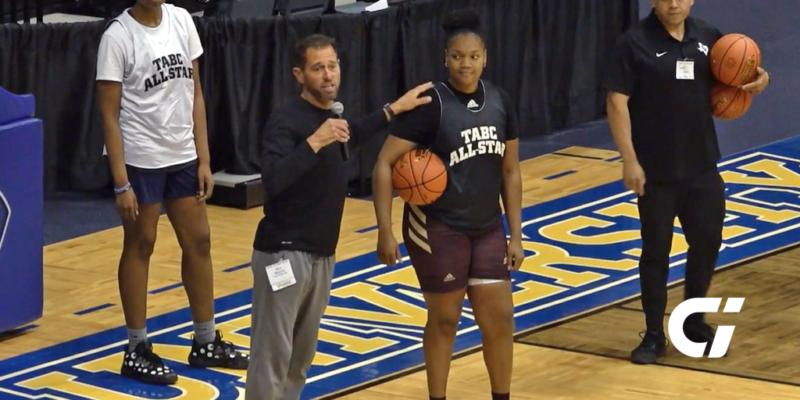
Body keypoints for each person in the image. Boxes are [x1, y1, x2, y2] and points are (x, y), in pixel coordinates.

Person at [244, 33, 433, 400]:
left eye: (333, 66)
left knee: (300, 359)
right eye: (318, 68)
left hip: (322, 254)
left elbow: (354, 134)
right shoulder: (286, 121)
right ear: (299, 75)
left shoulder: (333, 117)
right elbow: (274, 180)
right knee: (272, 357)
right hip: (283, 254)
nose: (328, 75)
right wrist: (315, 141)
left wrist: (394, 109)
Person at [603, 0, 771, 365]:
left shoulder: (708, 36)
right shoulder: (633, 43)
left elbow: (736, 72)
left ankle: (693, 321)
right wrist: (629, 160)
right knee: (655, 253)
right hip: (656, 171)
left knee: (708, 244)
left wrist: (759, 80)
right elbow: (616, 102)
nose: (674, 3)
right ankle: (653, 335)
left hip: (702, 166)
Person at [371, 9, 523, 400]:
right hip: (437, 227)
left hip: (487, 226)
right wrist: (385, 230)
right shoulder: (430, 105)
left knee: (500, 319)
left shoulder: (501, 101)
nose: (465, 64)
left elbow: (510, 172)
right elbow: (384, 164)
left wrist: (516, 235)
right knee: (444, 320)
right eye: (457, 56)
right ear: (445, 58)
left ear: (485, 57)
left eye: (473, 56)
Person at [95, 0, 249, 385]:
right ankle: (136, 347)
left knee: (199, 240)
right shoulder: (118, 37)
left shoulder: (181, 20)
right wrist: (121, 182)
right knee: (141, 243)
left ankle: (205, 339)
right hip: (140, 159)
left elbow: (196, 94)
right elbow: (108, 115)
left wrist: (204, 158)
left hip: (182, 155)